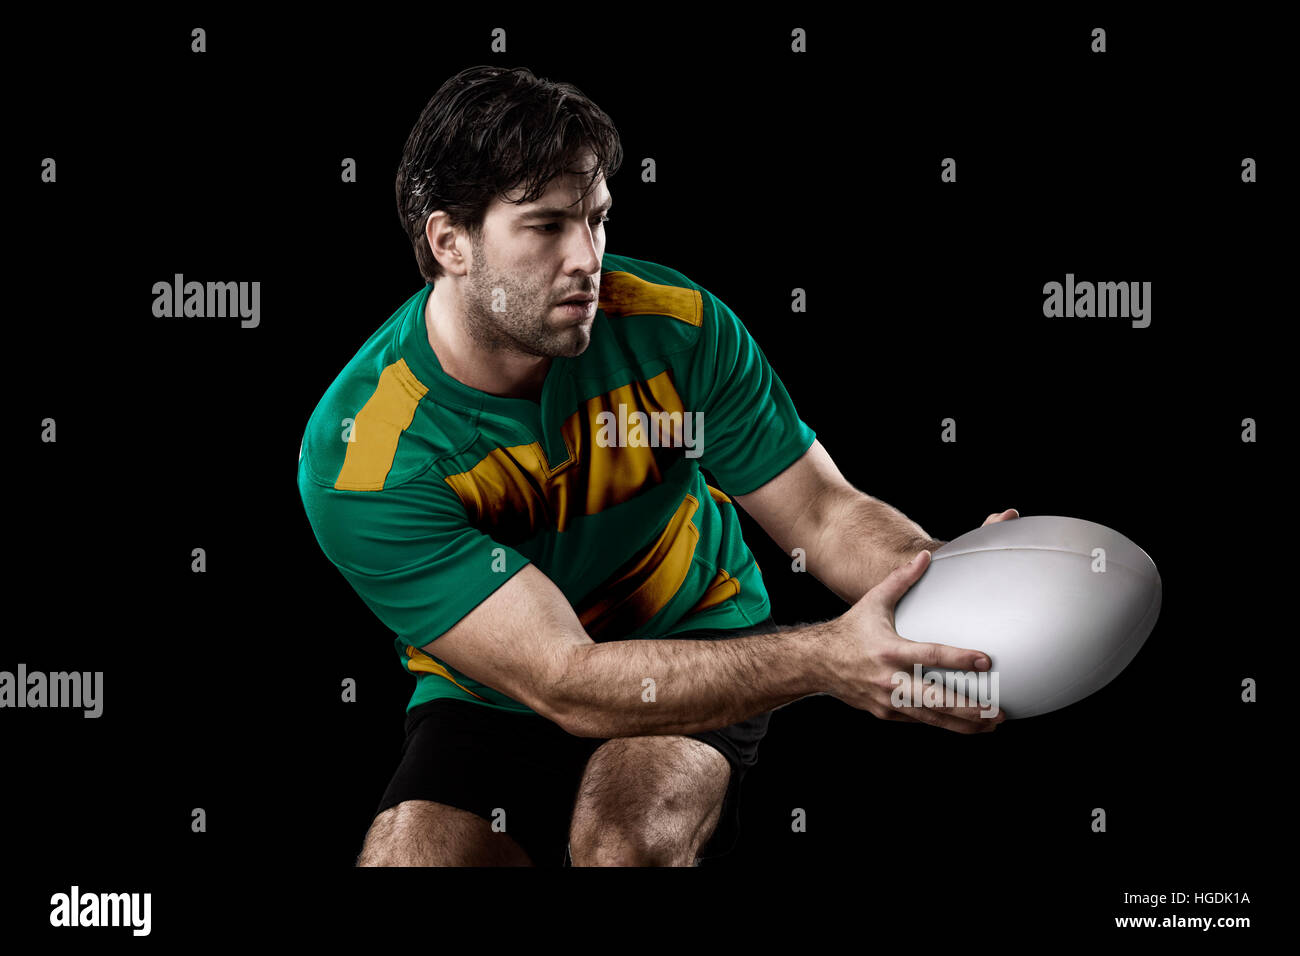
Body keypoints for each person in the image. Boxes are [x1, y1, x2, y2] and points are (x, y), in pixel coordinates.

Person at [296, 65, 1011, 867]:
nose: (587, 257)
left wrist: (948, 577)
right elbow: (563, 677)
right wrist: (826, 659)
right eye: (546, 226)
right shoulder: (363, 457)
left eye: (597, 219)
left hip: (693, 629)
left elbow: (820, 512)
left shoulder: (675, 327)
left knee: (623, 846)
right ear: (449, 243)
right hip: (496, 685)